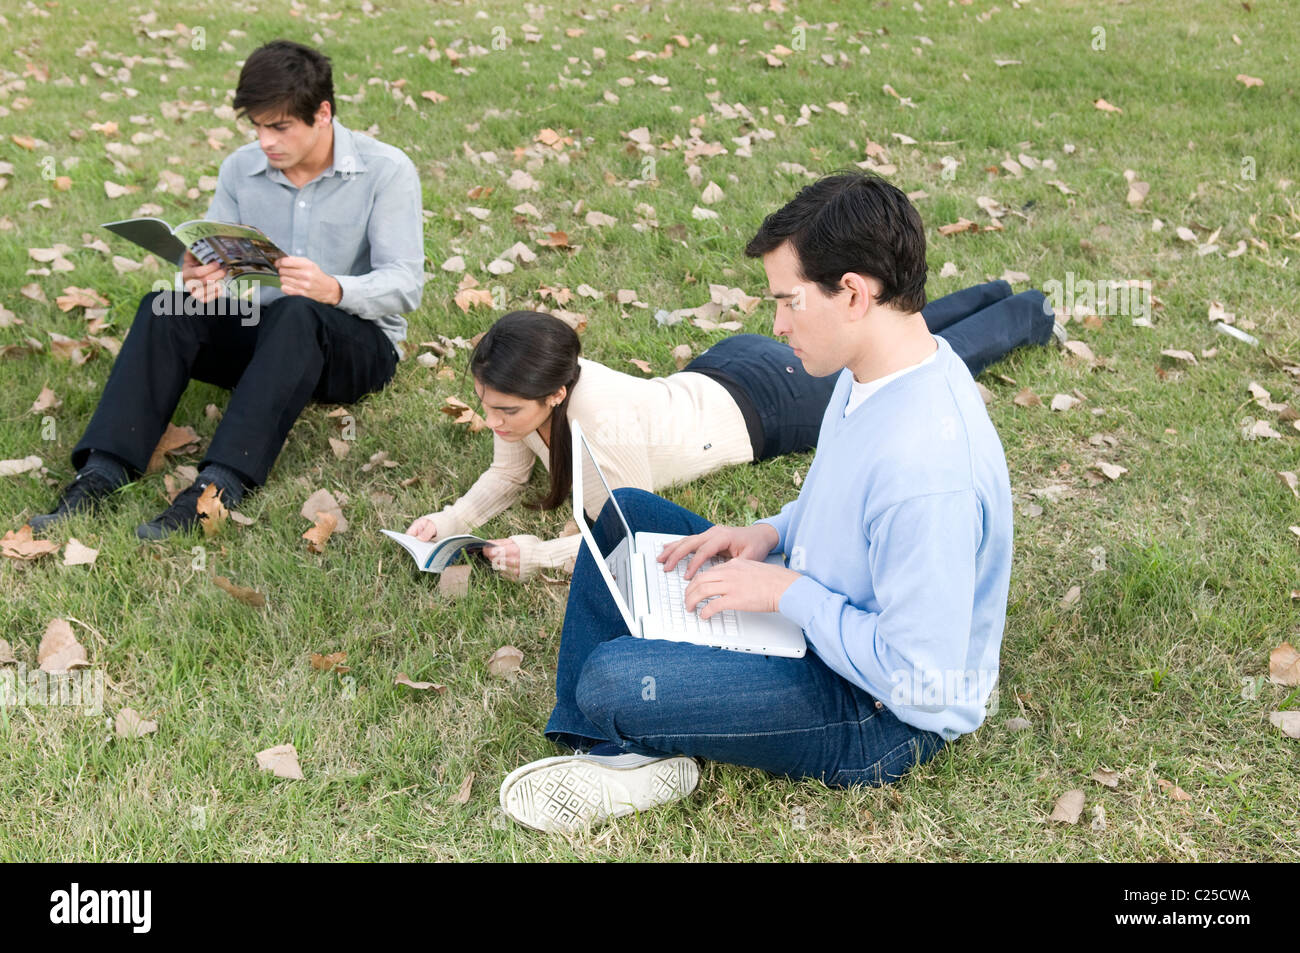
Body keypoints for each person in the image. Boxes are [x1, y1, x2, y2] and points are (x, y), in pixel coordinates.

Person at [497, 171, 1014, 834]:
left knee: (614, 681)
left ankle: (627, 736)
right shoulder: (886, 372)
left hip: (874, 712)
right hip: (824, 615)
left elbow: (923, 679)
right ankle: (617, 748)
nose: (776, 324)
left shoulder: (928, 468)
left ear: (852, 293)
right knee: (626, 514)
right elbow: (843, 504)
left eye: (790, 302)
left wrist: (788, 592)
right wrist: (768, 533)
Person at [29, 39, 424, 538]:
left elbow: (406, 284)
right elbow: (218, 258)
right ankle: (101, 472)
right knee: (165, 306)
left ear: (322, 113)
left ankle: (215, 488)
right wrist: (199, 279)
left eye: (279, 126)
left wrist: (334, 288)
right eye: (257, 126)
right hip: (266, 342)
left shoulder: (385, 170)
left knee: (298, 310)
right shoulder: (241, 169)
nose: (265, 141)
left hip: (354, 349)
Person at [407, 280, 1048, 581]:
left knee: (911, 352)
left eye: (505, 414)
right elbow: (506, 472)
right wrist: (450, 518)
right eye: (485, 407)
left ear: (554, 393)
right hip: (722, 368)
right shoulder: (525, 387)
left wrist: (539, 554)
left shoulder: (602, 419)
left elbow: (625, 533)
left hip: (766, 404)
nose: (494, 423)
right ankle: (993, 290)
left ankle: (1032, 309)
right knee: (885, 330)